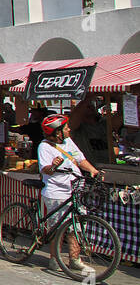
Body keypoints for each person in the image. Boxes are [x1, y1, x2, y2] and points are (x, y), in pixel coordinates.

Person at [39, 113, 102, 273]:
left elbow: (80, 159)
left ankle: (74, 259)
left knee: (77, 226)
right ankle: (54, 259)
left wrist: (92, 170)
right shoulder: (44, 147)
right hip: (56, 192)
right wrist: (53, 165)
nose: (69, 129)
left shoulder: (68, 142)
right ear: (57, 132)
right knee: (58, 228)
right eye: (65, 128)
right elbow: (46, 170)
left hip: (75, 189)